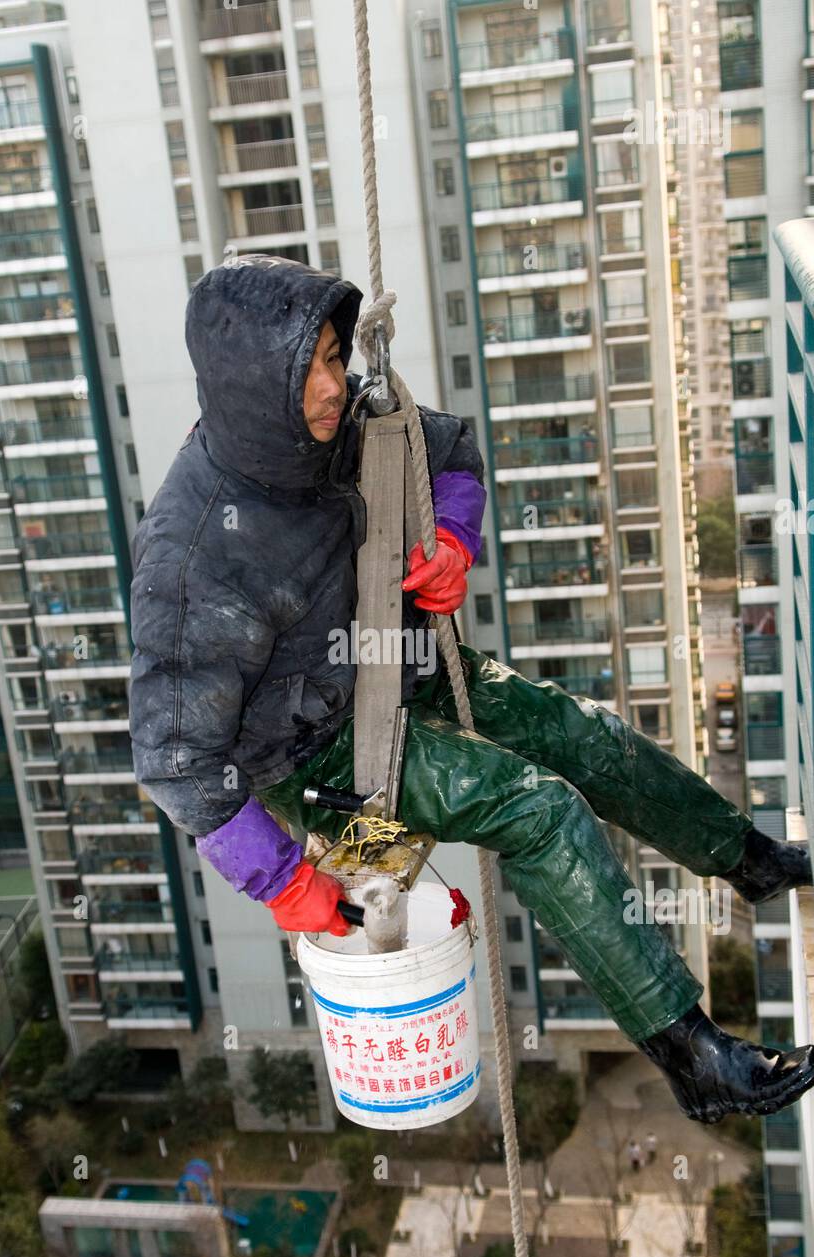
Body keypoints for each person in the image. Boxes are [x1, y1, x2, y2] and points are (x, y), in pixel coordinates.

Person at [128, 254, 814, 1127]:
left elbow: (447, 449)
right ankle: (693, 1058)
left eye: (336, 357)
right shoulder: (195, 558)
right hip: (317, 770)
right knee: (540, 809)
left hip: (391, 670)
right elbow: (173, 757)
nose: (333, 386)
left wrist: (452, 539)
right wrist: (282, 880)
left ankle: (749, 862)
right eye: (310, 371)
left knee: (584, 736)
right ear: (252, 388)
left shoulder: (331, 428)